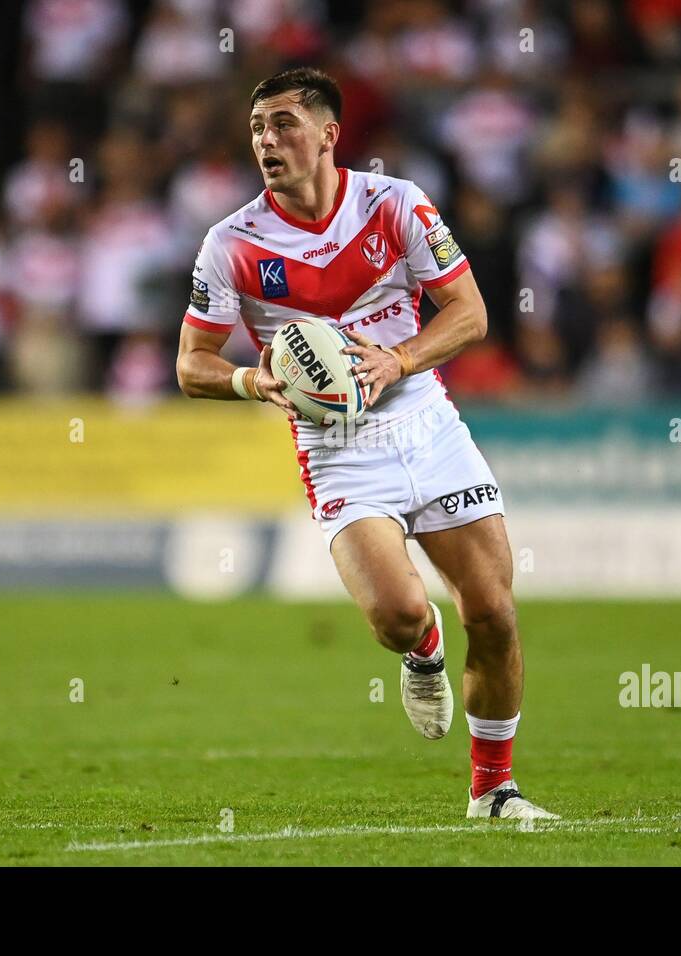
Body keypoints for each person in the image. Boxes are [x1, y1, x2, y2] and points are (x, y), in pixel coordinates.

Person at [175, 68, 556, 821]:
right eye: (257, 128)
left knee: (497, 611)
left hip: (425, 422)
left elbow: (471, 313)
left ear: (328, 134)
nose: (267, 139)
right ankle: (423, 651)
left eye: (283, 123)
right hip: (339, 448)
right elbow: (192, 363)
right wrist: (256, 384)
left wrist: (401, 358)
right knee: (397, 615)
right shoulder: (232, 244)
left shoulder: (397, 204)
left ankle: (494, 790)